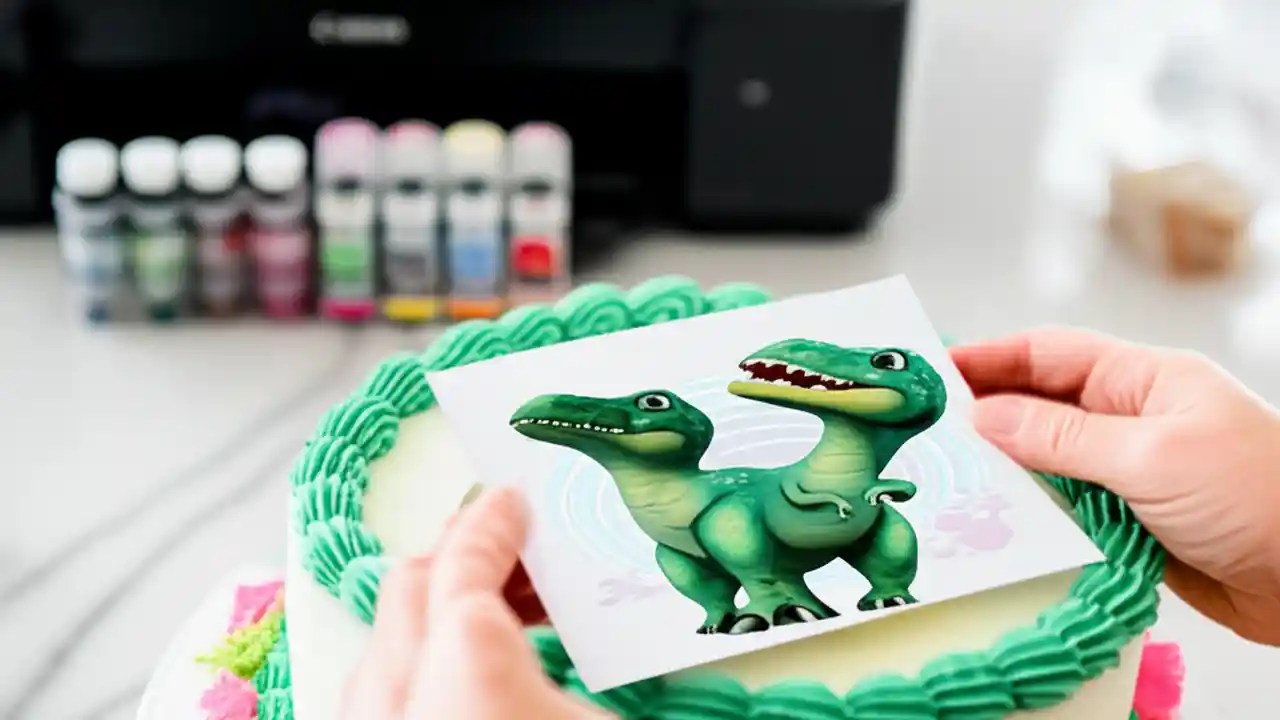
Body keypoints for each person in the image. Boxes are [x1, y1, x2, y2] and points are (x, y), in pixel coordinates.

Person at [342, 326, 1280, 719]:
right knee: (701, 563)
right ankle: (749, 600)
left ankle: (822, 588)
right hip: (722, 547)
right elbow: (716, 541)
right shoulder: (697, 499)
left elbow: (751, 535)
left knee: (870, 535)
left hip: (825, 532)